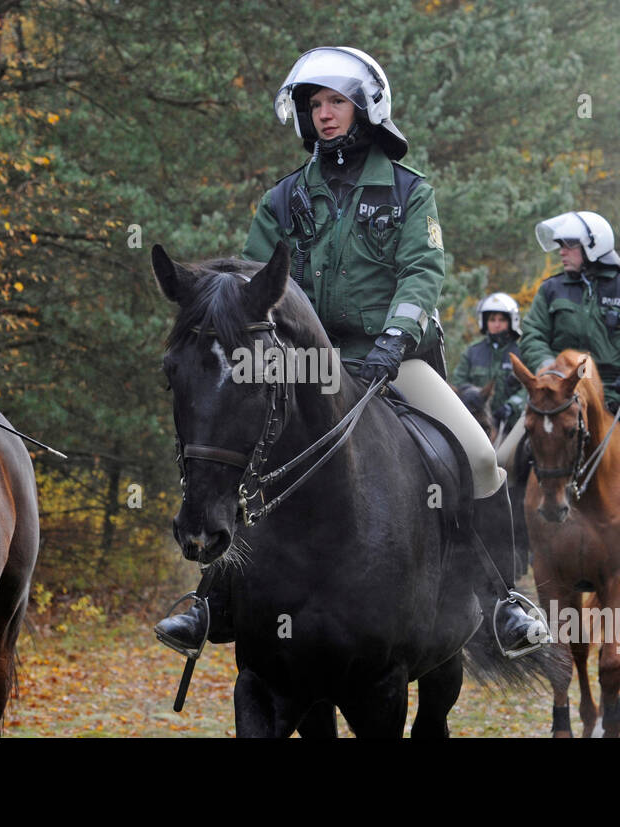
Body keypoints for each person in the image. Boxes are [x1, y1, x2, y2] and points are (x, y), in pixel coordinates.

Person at [155, 46, 547, 658]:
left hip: (393, 356)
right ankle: (212, 599)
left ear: (366, 107)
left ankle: (503, 600)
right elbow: (256, 284)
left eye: (336, 101)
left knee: (477, 457)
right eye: (314, 105)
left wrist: (395, 338)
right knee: (240, 443)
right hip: (302, 362)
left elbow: (422, 270)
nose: (324, 115)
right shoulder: (282, 199)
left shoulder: (409, 191)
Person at [495, 210, 620, 587]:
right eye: (561, 246)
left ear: (594, 247)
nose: (562, 252)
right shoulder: (551, 290)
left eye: (570, 245)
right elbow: (532, 336)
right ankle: (511, 549)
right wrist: (551, 374)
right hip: (559, 401)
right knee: (504, 457)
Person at [452, 292, 527, 436]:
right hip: (476, 426)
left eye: (502, 320)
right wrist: (474, 398)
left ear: (512, 321)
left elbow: (529, 389)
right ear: (485, 322)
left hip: (511, 425)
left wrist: (512, 406)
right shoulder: (472, 352)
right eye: (492, 320)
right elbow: (459, 382)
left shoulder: (521, 353)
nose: (497, 324)